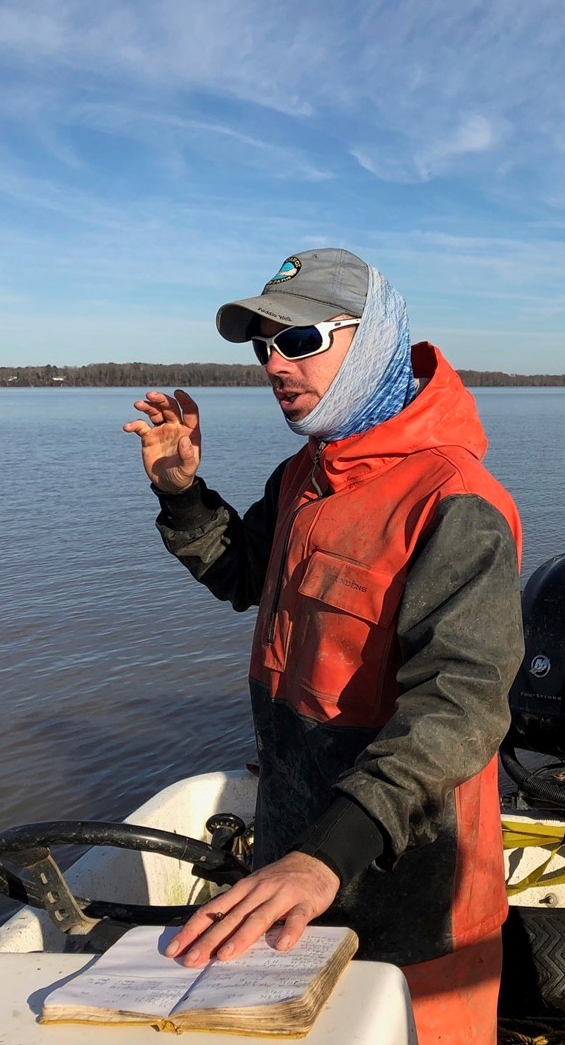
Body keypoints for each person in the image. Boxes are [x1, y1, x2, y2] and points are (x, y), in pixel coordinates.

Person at [122, 248, 524, 1045]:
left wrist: (328, 856)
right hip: (294, 870)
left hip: (413, 893)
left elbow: (462, 707)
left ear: (371, 341)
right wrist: (181, 493)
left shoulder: (455, 501)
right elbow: (244, 575)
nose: (275, 364)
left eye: (299, 340)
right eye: (262, 346)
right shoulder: (303, 474)